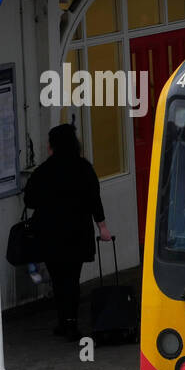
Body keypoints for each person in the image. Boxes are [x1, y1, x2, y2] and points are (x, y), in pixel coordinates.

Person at [24, 124, 112, 340]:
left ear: (53, 145)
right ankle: (71, 322)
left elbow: (30, 200)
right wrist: (102, 227)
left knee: (57, 278)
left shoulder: (43, 171)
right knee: (72, 278)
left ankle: (64, 321)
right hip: (77, 233)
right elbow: (94, 200)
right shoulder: (84, 168)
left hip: (51, 234)